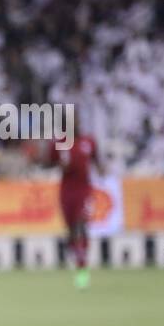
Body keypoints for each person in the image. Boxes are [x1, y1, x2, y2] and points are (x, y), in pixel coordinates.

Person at [46, 120, 101, 289]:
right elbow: (49, 162)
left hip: (84, 191)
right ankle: (76, 254)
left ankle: (82, 269)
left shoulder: (88, 141)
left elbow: (96, 160)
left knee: (81, 225)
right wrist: (59, 165)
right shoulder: (59, 144)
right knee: (70, 230)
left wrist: (103, 171)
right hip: (66, 192)